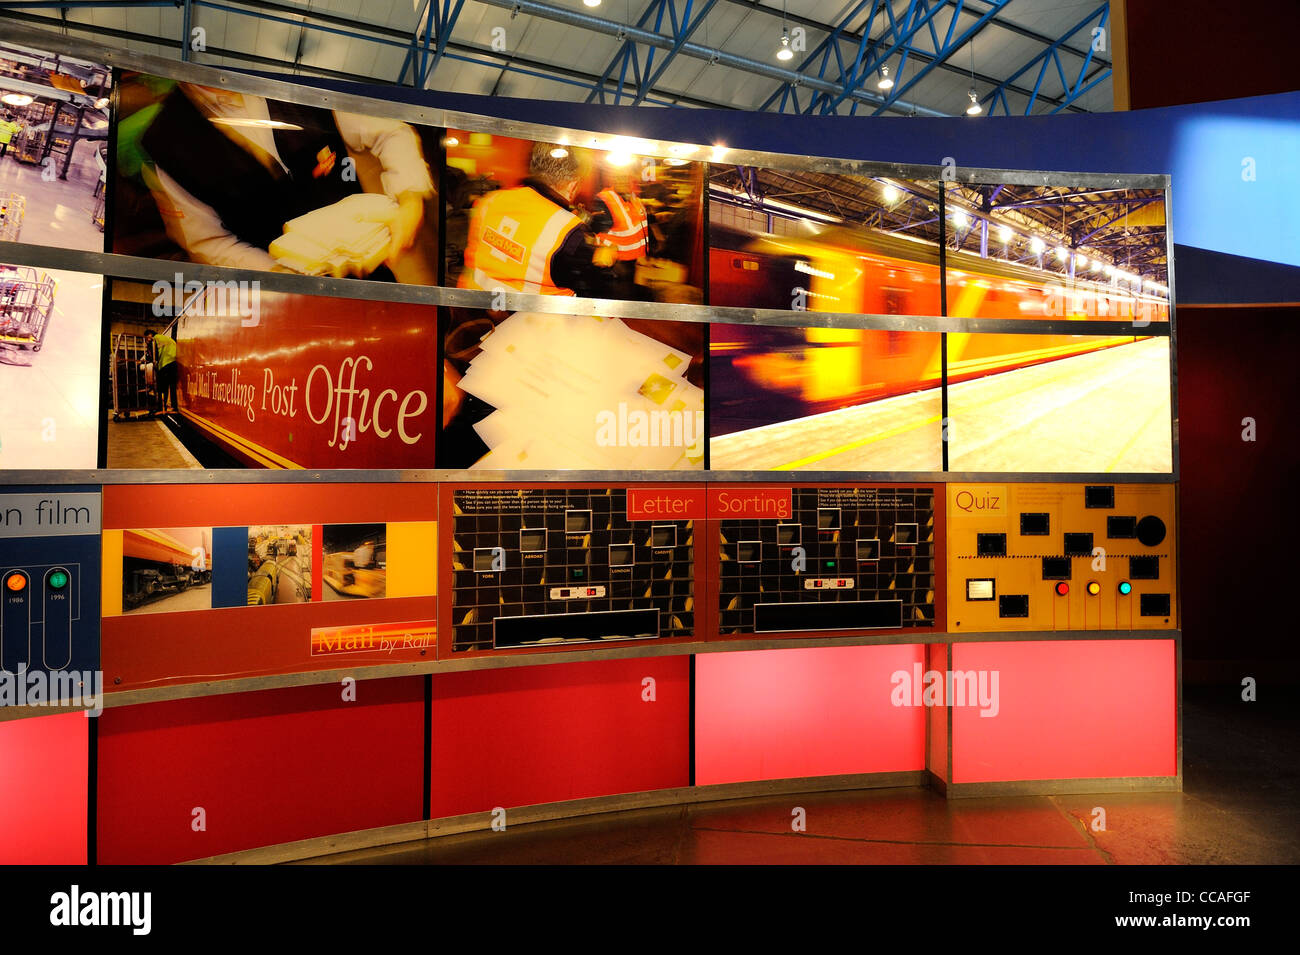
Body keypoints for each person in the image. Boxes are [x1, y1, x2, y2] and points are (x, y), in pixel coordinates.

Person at [138, 83, 435, 274]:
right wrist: (280, 274)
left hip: (367, 264)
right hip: (286, 298)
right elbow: (209, 244)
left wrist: (410, 199)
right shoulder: (166, 140)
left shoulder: (296, 75)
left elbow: (389, 131)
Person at [457, 142, 615, 297]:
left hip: (473, 309)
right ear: (572, 186)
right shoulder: (567, 231)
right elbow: (594, 286)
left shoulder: (490, 200)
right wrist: (605, 256)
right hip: (532, 320)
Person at [145, 327, 178, 414]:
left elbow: (154, 354)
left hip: (164, 364)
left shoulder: (154, 339)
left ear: (150, 335)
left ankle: (160, 408)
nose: (147, 340)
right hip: (174, 363)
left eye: (146, 338)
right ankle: (175, 407)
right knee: (173, 386)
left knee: (162, 388)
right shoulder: (167, 338)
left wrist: (154, 364)